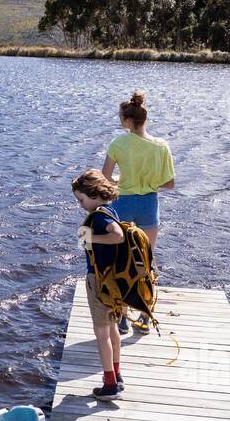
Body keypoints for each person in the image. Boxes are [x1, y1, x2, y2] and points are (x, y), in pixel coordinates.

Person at [103, 91, 175, 333]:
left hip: (122, 203)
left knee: (120, 260)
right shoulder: (161, 146)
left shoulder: (117, 144)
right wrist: (149, 181)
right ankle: (145, 316)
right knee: (146, 261)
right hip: (148, 205)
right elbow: (170, 184)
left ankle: (121, 316)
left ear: (126, 120)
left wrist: (119, 180)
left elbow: (105, 178)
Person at [72, 169, 125, 402]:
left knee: (101, 332)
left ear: (93, 194)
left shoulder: (99, 217)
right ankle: (117, 374)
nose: (80, 205)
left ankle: (110, 384)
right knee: (112, 328)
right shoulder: (109, 210)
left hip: (99, 280)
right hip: (113, 278)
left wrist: (90, 238)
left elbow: (118, 235)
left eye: (81, 199)